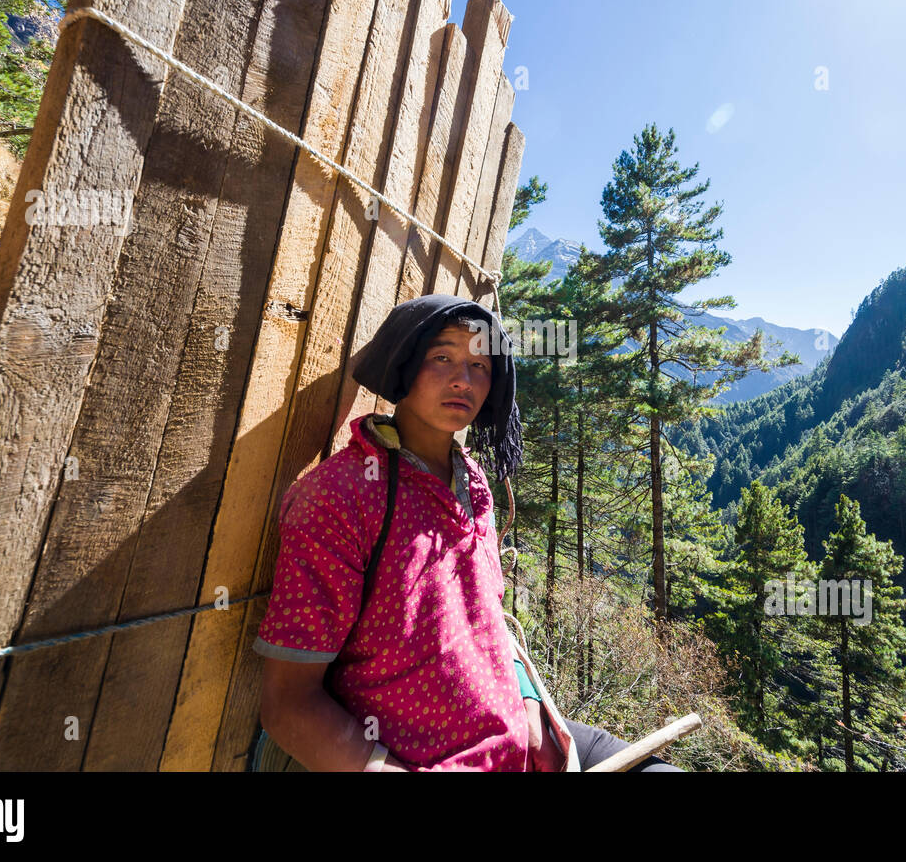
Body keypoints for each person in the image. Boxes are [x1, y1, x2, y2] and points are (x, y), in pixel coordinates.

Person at [254, 293, 682, 771]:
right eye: (443, 357)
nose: (464, 379)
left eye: (481, 365)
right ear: (404, 365)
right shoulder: (341, 495)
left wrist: (531, 706)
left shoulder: (474, 482)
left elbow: (488, 615)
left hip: (523, 737)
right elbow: (288, 705)